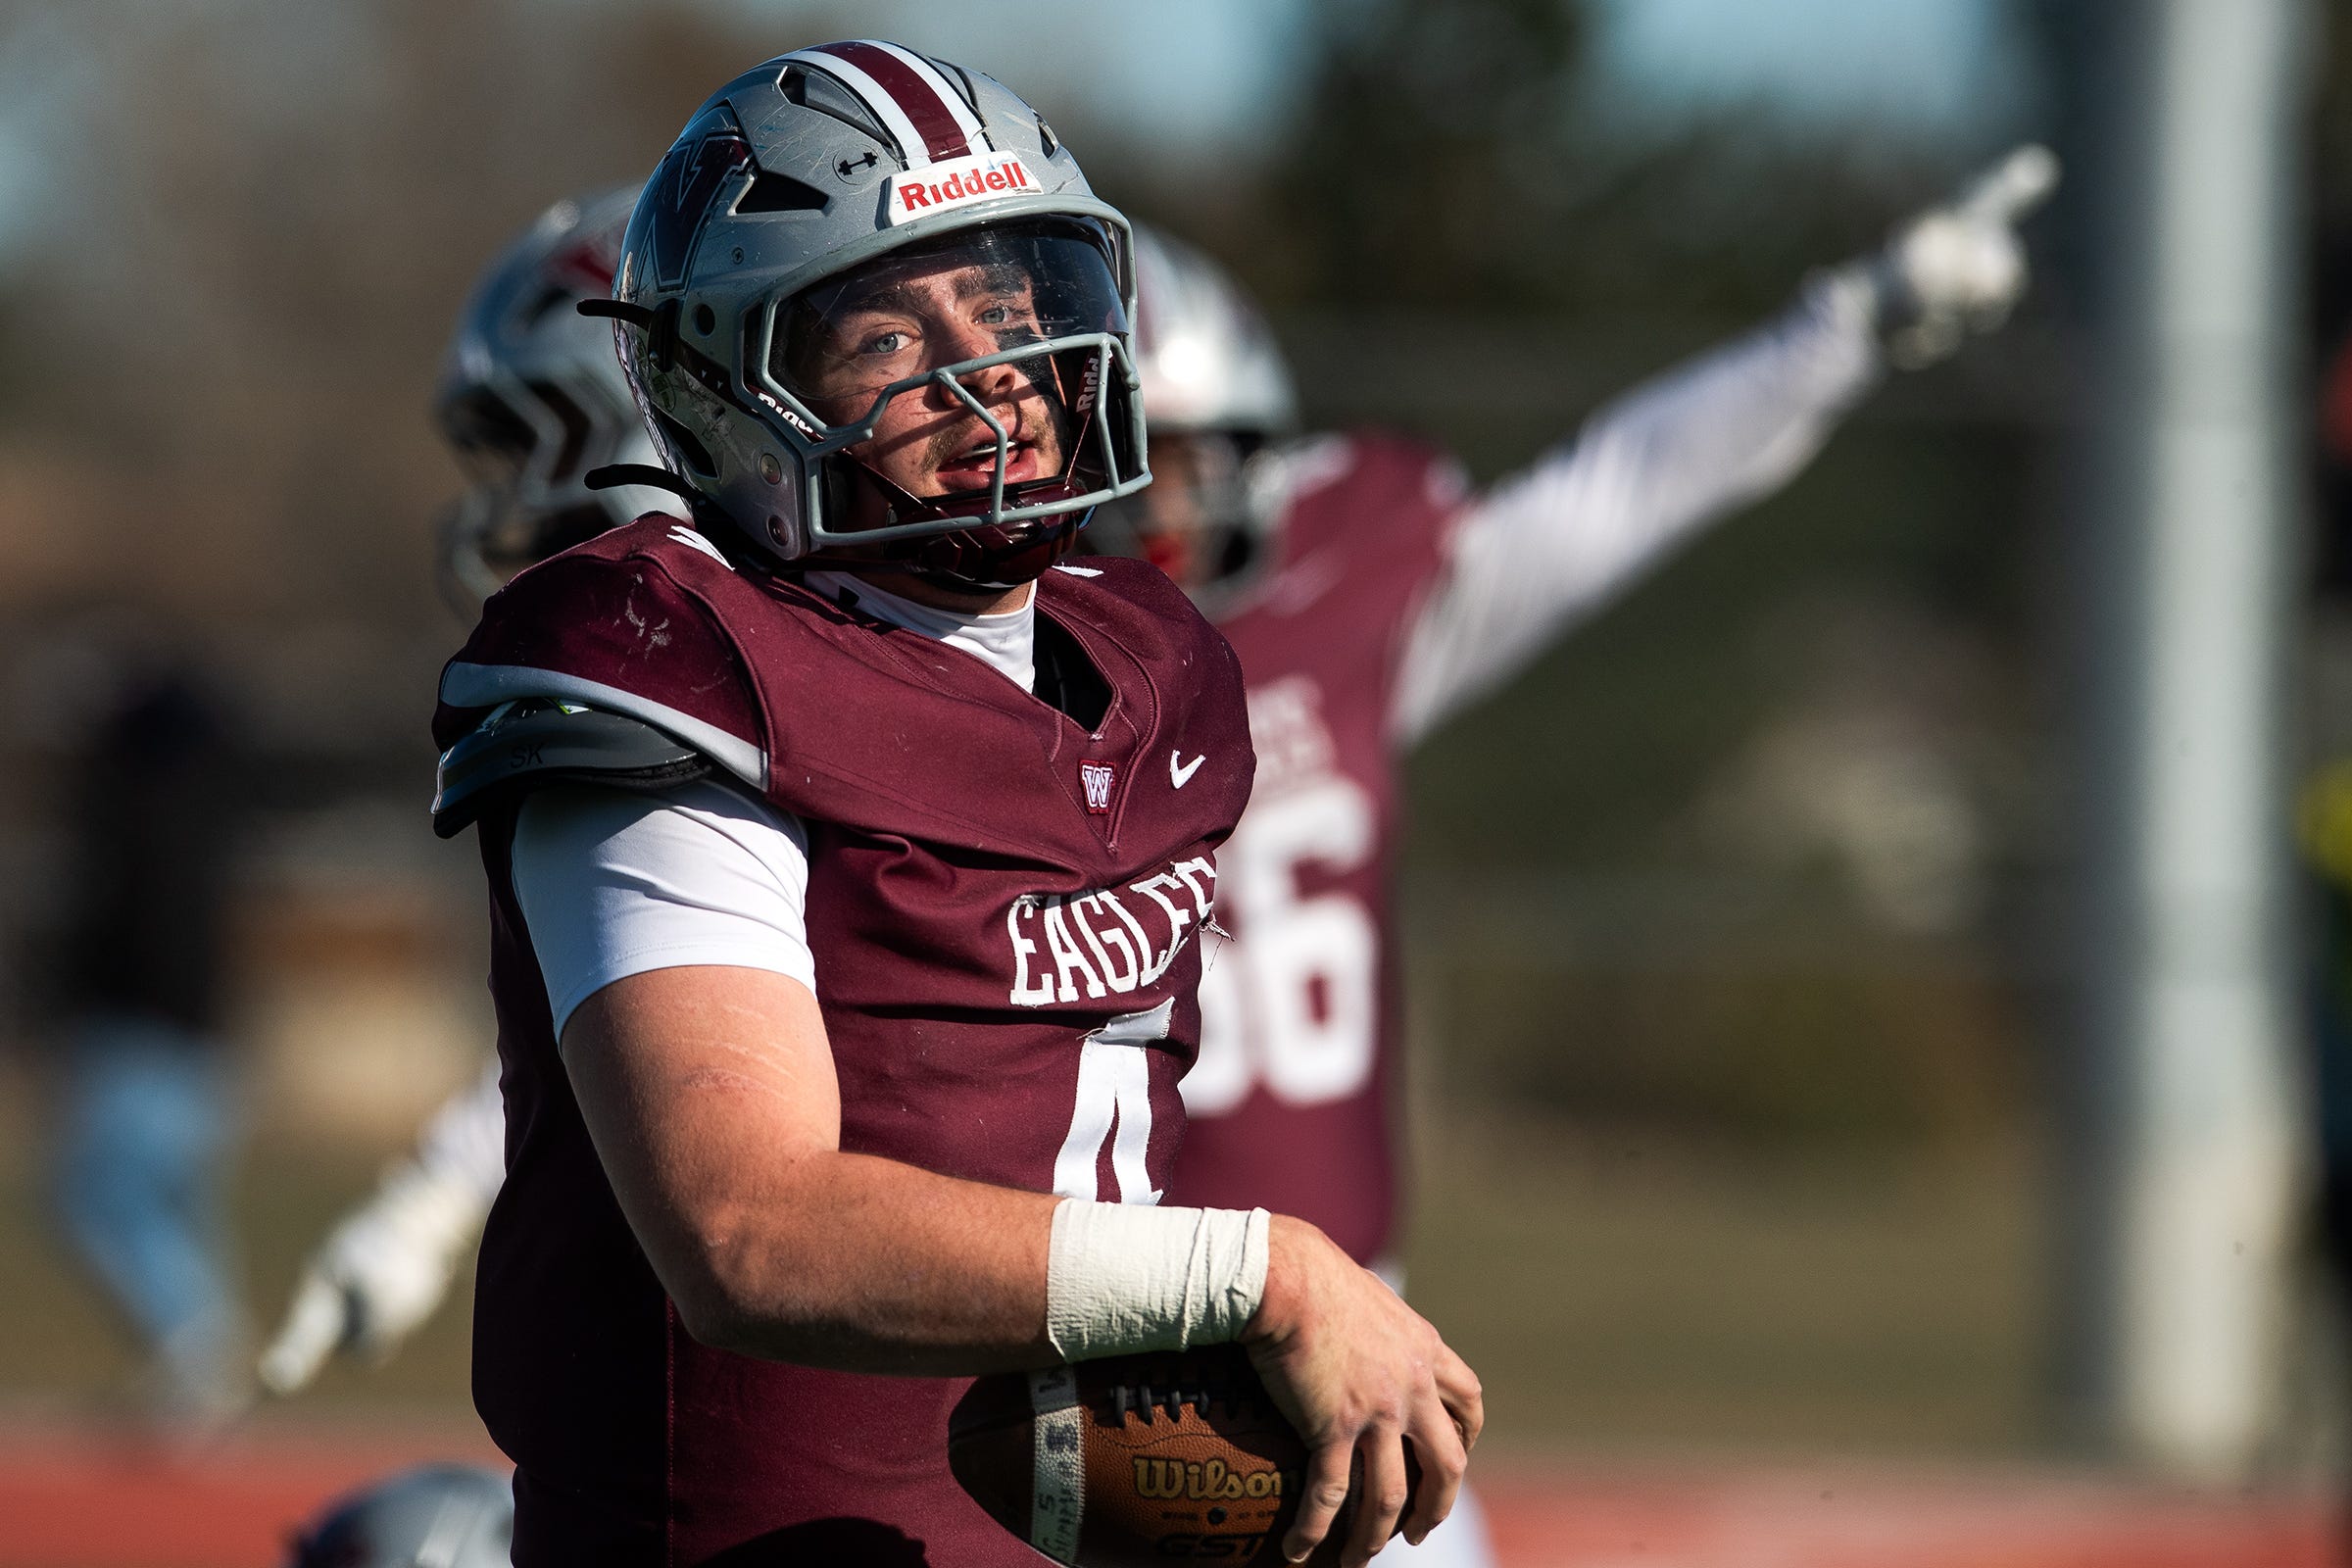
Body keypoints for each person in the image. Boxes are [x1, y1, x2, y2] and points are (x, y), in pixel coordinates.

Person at [423, 43, 1477, 1567]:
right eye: (885, 336)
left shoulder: (1150, 655)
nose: (988, 370)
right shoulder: (675, 655)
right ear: (726, 386)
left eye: (1011, 300)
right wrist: (1264, 1277)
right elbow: (752, 1231)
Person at [47, 628, 253, 1429]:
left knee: (100, 1197)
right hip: (202, 1036)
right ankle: (205, 1365)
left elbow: (129, 930)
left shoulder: (137, 812)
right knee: (175, 1205)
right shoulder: (213, 805)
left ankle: (199, 1349)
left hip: (144, 1031)